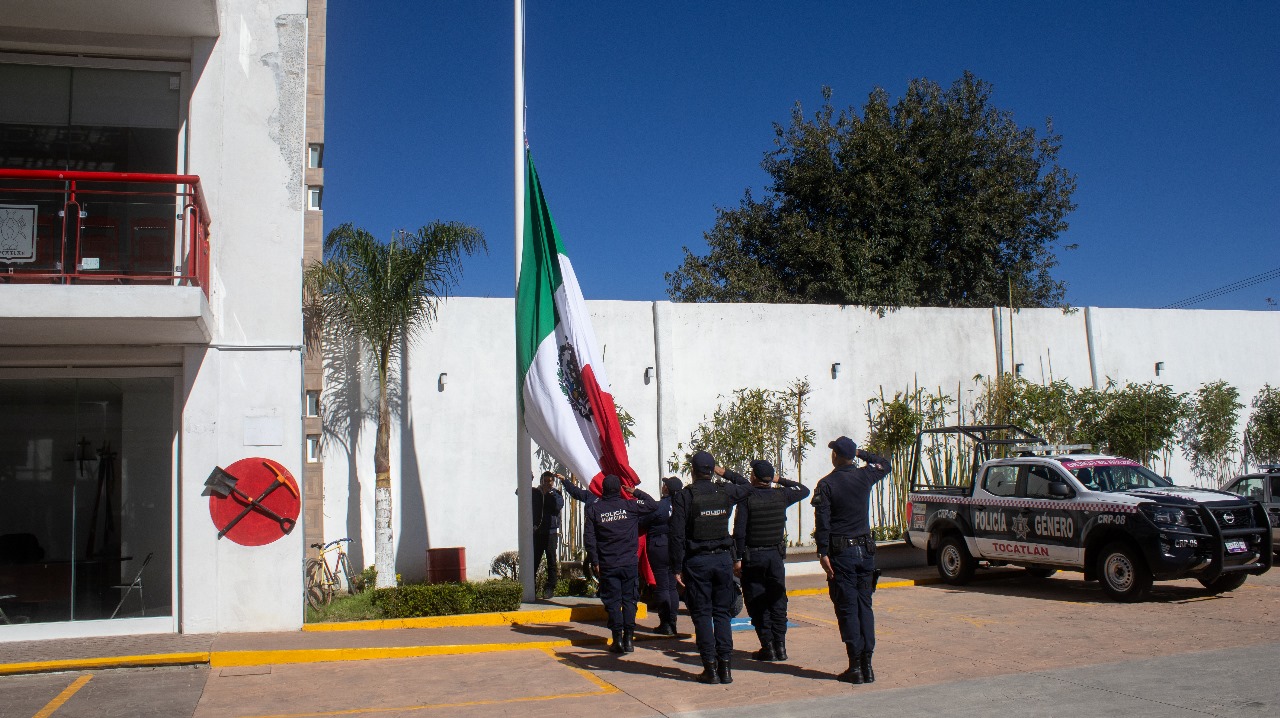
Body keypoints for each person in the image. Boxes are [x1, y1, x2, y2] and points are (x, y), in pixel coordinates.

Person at [811, 436, 891, 684]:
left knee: (847, 607)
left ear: (835, 456)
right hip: (865, 553)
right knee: (864, 606)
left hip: (842, 554)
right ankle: (867, 665)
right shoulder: (865, 476)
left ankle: (855, 666)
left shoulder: (827, 484)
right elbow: (885, 464)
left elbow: (822, 522)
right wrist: (861, 453)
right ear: (852, 456)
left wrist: (822, 552)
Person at [670, 451, 753, 684]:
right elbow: (747, 485)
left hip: (698, 562)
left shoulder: (685, 496)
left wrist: (676, 568)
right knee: (722, 614)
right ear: (711, 470)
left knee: (703, 615)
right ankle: (725, 668)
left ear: (693, 471)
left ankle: (710, 668)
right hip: (722, 560)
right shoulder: (724, 491)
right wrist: (724, 472)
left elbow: (676, 535)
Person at [733, 459, 810, 662]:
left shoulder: (747, 498)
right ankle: (781, 646)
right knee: (777, 601)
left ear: (754, 477)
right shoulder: (782, 495)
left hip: (754, 557)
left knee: (757, 602)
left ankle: (768, 646)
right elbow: (804, 489)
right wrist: (779, 480)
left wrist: (737, 558)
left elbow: (740, 531)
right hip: (775, 558)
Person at [583, 475, 658, 653]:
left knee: (613, 602)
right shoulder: (630, 506)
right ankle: (628, 639)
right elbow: (652, 505)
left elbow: (589, 539)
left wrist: (595, 561)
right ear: (619, 489)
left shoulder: (595, 510)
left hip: (608, 564)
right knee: (630, 600)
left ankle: (617, 639)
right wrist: (635, 492)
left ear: (603, 490)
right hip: (629, 564)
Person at [645, 476, 684, 635]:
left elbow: (643, 520)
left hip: (659, 547)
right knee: (672, 586)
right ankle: (672, 622)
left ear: (667, 489)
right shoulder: (682, 506)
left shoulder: (660, 506)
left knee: (662, 586)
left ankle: (666, 623)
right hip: (676, 547)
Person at [532, 471, 565, 600]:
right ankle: (532, 587)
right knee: (535, 560)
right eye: (545, 481)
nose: (547, 483)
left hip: (551, 532)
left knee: (551, 560)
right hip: (538, 531)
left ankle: (550, 587)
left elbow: (558, 506)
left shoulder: (556, 494)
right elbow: (521, 493)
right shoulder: (536, 492)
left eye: (550, 481)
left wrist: (548, 495)